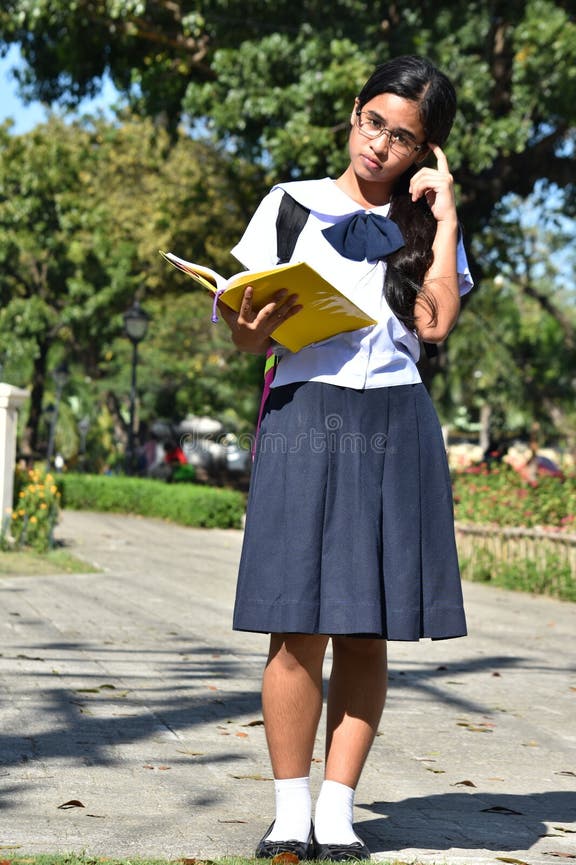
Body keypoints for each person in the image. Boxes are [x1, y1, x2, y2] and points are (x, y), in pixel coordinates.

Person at [218, 55, 473, 861]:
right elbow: (241, 329)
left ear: (425, 151)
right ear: (354, 110)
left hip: (396, 422)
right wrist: (254, 322)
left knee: (367, 630)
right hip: (304, 413)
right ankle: (289, 808)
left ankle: (338, 808)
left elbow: (434, 325)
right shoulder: (288, 204)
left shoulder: (423, 220)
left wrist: (446, 219)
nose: (381, 148)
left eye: (405, 139)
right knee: (295, 623)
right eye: (375, 124)